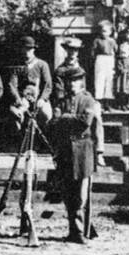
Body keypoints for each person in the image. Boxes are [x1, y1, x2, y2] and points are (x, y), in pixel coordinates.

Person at [48, 65, 105, 244]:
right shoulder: (61, 101)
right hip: (65, 150)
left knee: (81, 193)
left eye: (75, 81)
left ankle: (81, 230)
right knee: (67, 192)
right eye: (69, 81)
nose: (71, 84)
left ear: (81, 82)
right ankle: (74, 229)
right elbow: (53, 123)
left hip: (83, 149)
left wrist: (65, 118)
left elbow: (85, 122)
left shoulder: (88, 100)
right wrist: (66, 118)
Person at [8, 36, 54, 128]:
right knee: (16, 115)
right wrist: (18, 99)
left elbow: (47, 85)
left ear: (34, 49)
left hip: (38, 98)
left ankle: (39, 134)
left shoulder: (42, 65)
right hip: (22, 98)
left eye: (30, 49)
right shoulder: (17, 65)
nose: (27, 51)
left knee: (47, 114)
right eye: (25, 48)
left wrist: (42, 99)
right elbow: (12, 85)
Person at [91, 21, 117, 104]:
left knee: (109, 79)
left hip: (109, 59)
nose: (103, 33)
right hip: (100, 59)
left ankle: (108, 102)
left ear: (110, 32)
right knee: (100, 79)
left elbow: (116, 50)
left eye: (105, 31)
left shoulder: (112, 41)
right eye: (102, 31)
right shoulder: (97, 40)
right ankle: (99, 101)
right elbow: (93, 52)